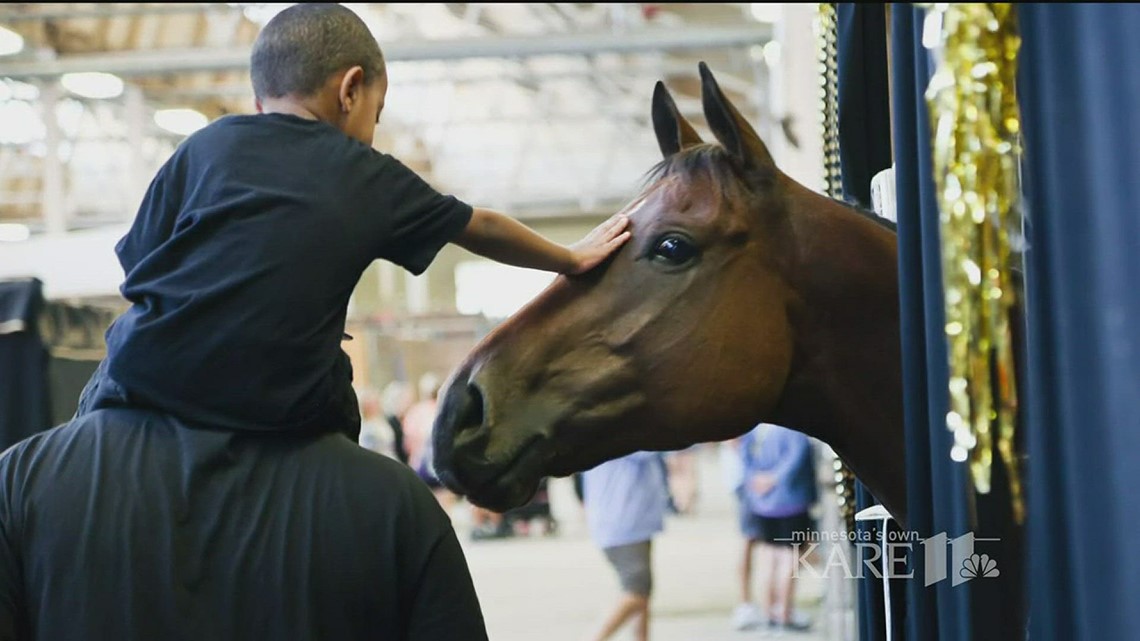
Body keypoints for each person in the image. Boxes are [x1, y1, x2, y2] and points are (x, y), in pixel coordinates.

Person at [72, 2, 631, 446]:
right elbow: (480, 227)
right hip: (264, 404)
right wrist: (570, 256)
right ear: (351, 90)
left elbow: (137, 263)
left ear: (259, 99)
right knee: (338, 395)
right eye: (376, 114)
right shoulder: (366, 173)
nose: (373, 131)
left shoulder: (204, 145)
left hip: (136, 373)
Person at [731, 423, 818, 633]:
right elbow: (796, 457)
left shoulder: (754, 426)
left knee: (768, 557)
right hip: (792, 502)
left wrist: (756, 481)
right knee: (789, 557)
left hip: (761, 503)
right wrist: (775, 479)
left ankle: (769, 612)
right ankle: (785, 612)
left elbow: (744, 455)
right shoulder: (791, 427)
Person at [582, 451, 671, 641]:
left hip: (628, 521)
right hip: (624, 522)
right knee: (636, 592)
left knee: (642, 594)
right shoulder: (622, 438)